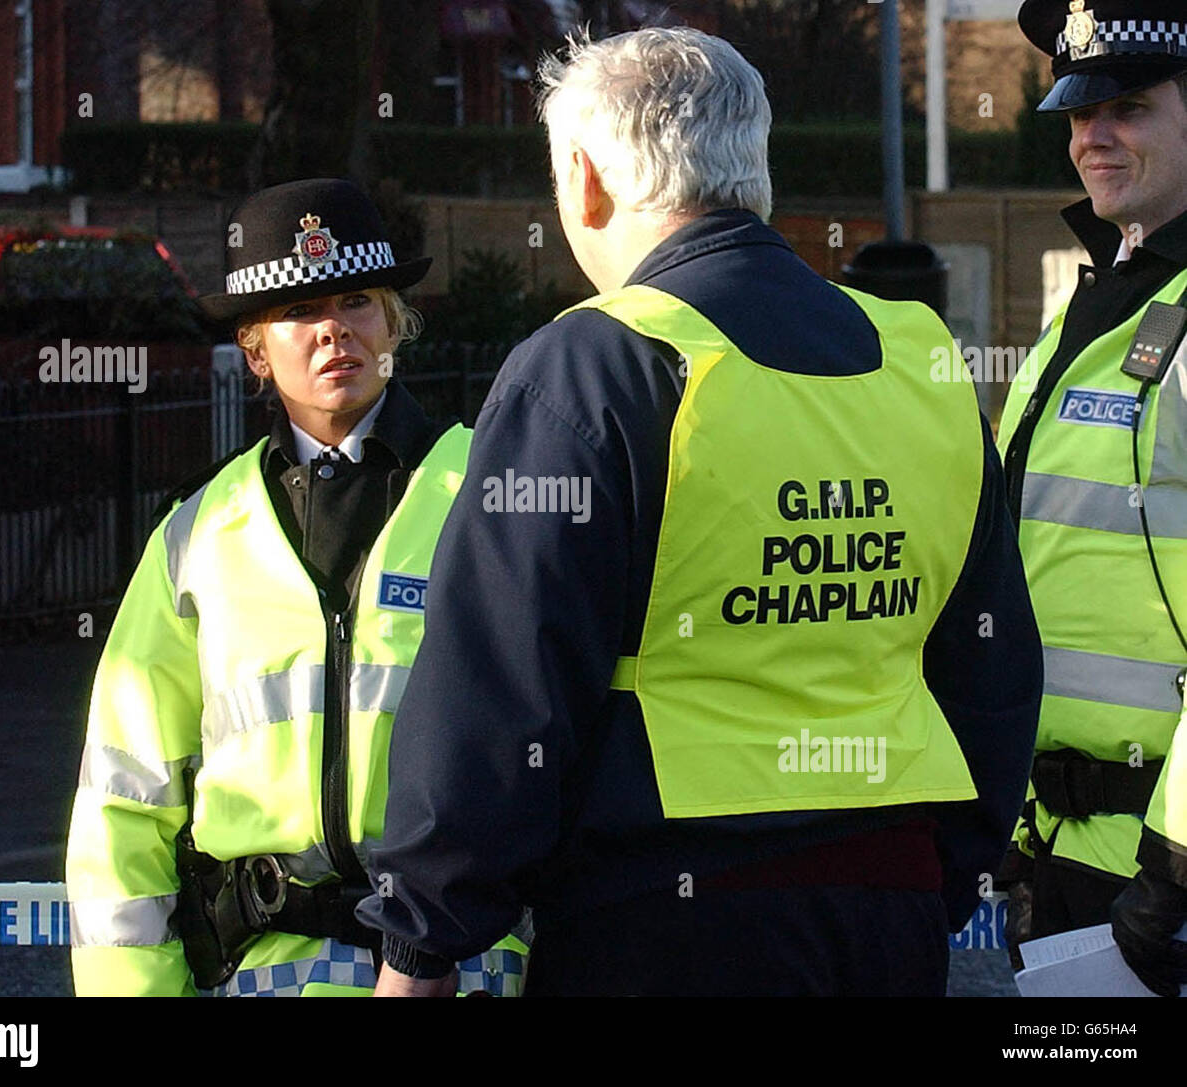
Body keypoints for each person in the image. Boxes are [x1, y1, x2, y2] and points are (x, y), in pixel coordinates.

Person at [356, 27, 1043, 997]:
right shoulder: (920, 361)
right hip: (886, 912)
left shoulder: (596, 365)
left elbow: (501, 688)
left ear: (586, 181)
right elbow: (994, 667)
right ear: (752, 167)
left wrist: (423, 940)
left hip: (661, 922)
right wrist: (936, 879)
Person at [64, 178, 527, 996]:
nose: (332, 330)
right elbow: (124, 797)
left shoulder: (488, 497)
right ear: (254, 350)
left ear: (394, 322)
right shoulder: (196, 536)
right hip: (267, 971)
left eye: (356, 300)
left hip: (461, 967)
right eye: (298, 310)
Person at [1000, 0, 1187, 998]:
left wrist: (1167, 890)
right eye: (1078, 111)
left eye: (1127, 107)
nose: (1090, 135)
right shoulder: (1103, 300)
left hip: (1157, 891)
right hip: (1062, 863)